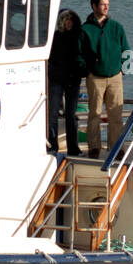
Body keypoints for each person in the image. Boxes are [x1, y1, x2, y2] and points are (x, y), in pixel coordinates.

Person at [81, 0, 128, 159]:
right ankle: (94, 147)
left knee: (116, 114)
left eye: (107, 4)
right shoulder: (85, 29)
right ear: (94, 6)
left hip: (115, 76)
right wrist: (86, 71)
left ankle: (116, 148)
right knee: (94, 114)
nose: (106, 7)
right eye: (102, 4)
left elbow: (127, 50)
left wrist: (125, 70)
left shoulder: (116, 27)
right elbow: (79, 54)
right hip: (95, 77)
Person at [47, 9, 86, 155]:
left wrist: (82, 70)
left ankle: (73, 147)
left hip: (73, 79)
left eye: (71, 19)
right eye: (65, 19)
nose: (68, 22)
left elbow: (85, 54)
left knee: (71, 114)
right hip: (56, 79)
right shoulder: (55, 37)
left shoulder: (79, 36)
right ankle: (52, 144)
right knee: (52, 113)